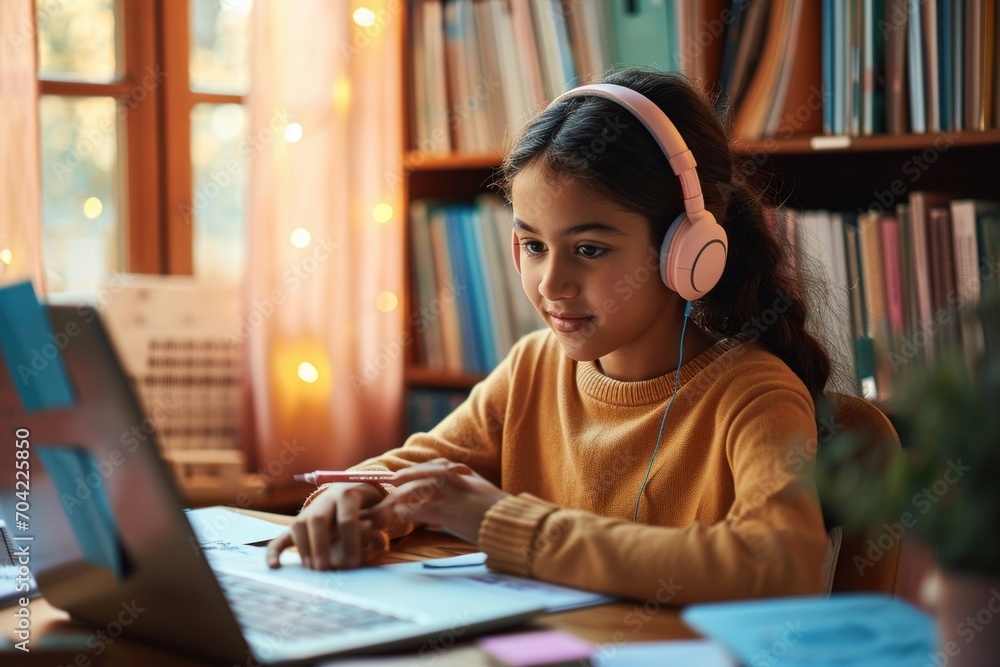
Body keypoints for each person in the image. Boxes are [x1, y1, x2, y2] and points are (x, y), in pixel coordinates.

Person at [266, 69, 837, 604]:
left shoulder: (754, 396)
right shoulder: (534, 368)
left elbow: (781, 564)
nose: (552, 284)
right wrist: (353, 494)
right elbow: (417, 467)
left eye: (589, 249)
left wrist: (504, 524)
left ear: (687, 249)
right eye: (534, 246)